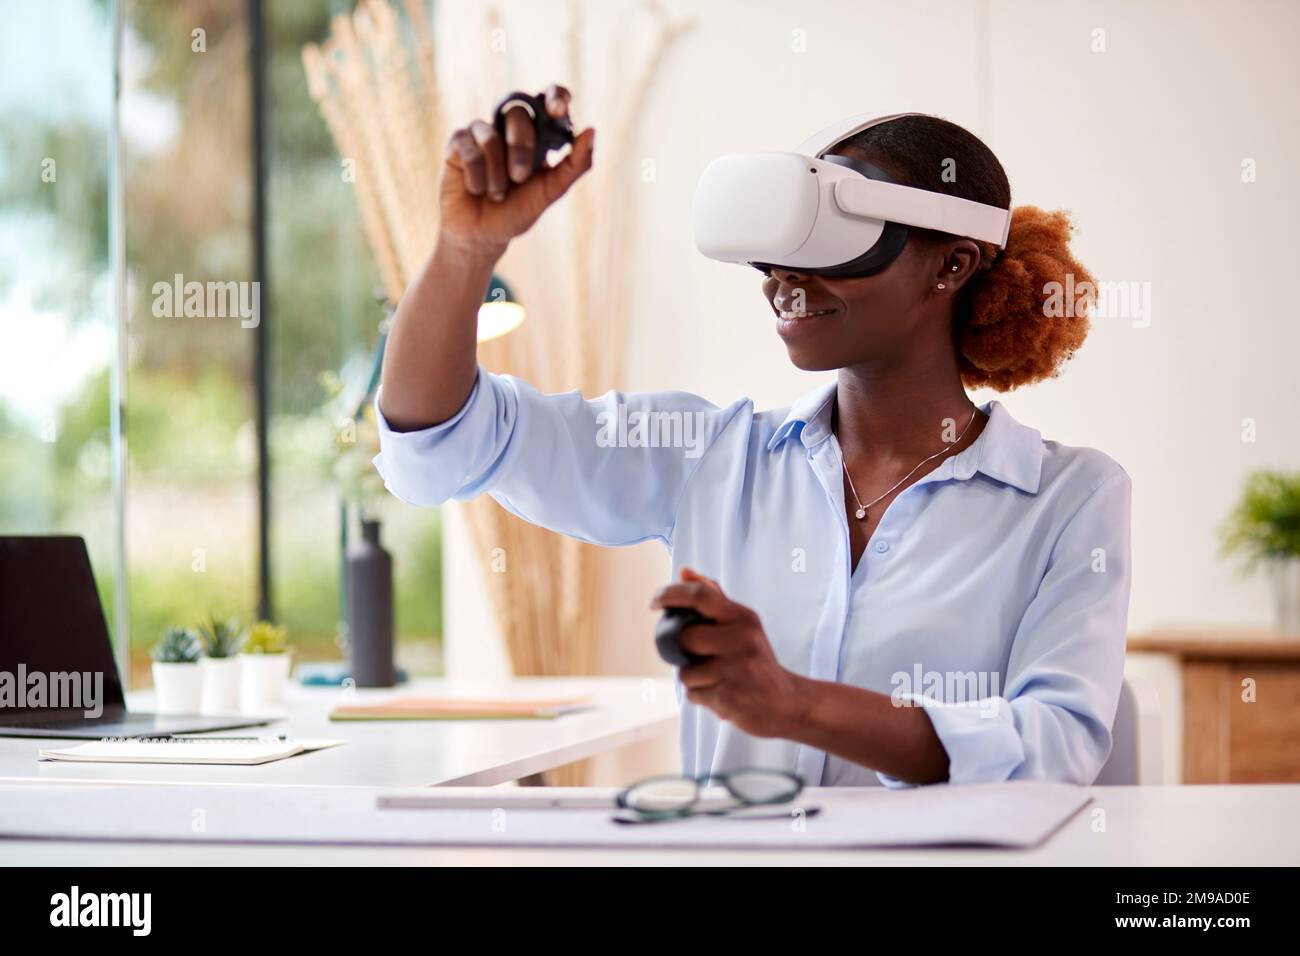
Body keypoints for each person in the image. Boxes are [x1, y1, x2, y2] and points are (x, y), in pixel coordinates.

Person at [374, 85, 1130, 787]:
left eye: (833, 239)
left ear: (952, 263)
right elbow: (441, 445)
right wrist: (466, 251)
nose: (783, 280)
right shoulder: (706, 456)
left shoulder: (1067, 498)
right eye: (778, 249)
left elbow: (1052, 750)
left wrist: (795, 703)